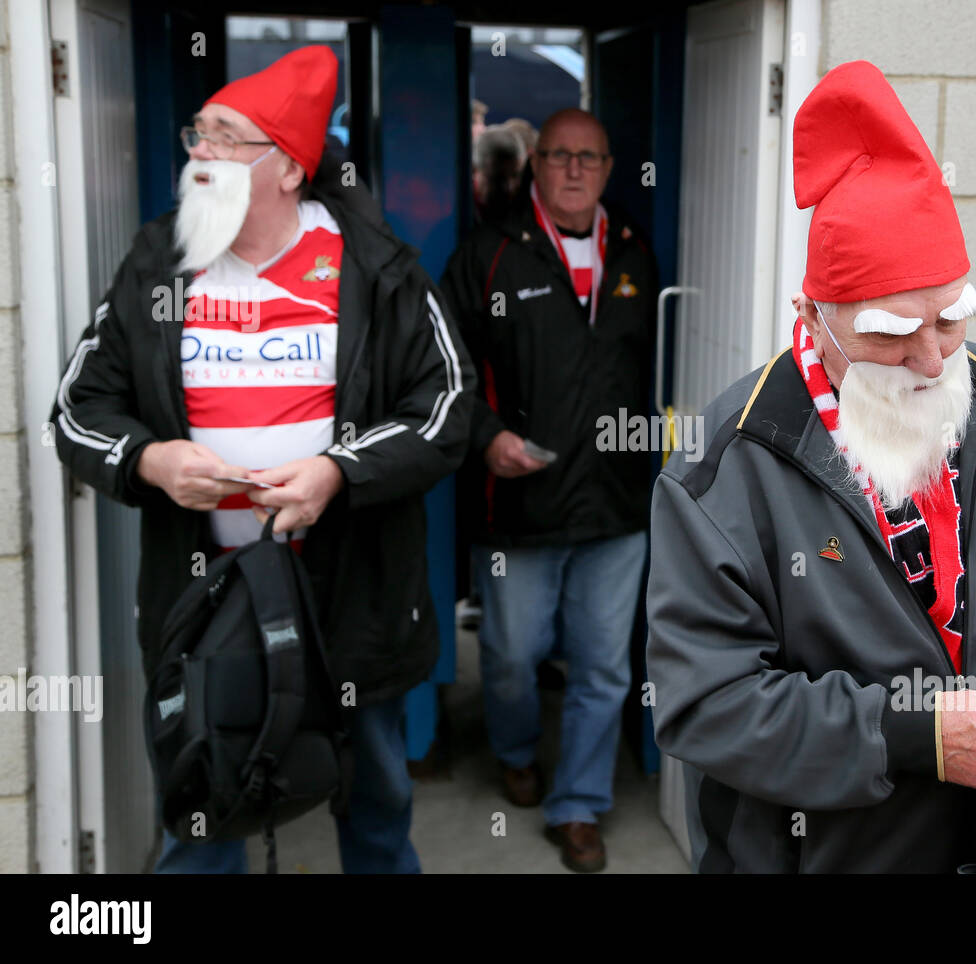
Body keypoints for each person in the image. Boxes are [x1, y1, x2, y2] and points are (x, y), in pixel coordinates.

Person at [644, 60, 976, 873]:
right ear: (812, 317)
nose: (930, 359)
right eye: (890, 332)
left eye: (950, 317)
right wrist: (914, 736)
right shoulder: (724, 469)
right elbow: (707, 706)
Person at [50, 46, 474, 873]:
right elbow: (78, 409)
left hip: (349, 594)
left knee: (376, 805)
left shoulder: (376, 270)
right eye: (197, 134)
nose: (198, 153)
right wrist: (150, 461)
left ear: (287, 167)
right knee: (203, 805)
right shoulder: (156, 263)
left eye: (225, 137)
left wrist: (337, 472)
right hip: (207, 602)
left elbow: (448, 409)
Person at [441, 107, 658, 873]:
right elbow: (447, 371)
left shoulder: (634, 253)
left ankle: (578, 806)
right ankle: (514, 748)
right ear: (536, 164)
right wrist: (486, 436)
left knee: (604, 665)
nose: (574, 170)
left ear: (606, 167)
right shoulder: (488, 256)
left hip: (617, 504)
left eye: (589, 158)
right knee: (509, 655)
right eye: (559, 156)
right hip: (520, 506)